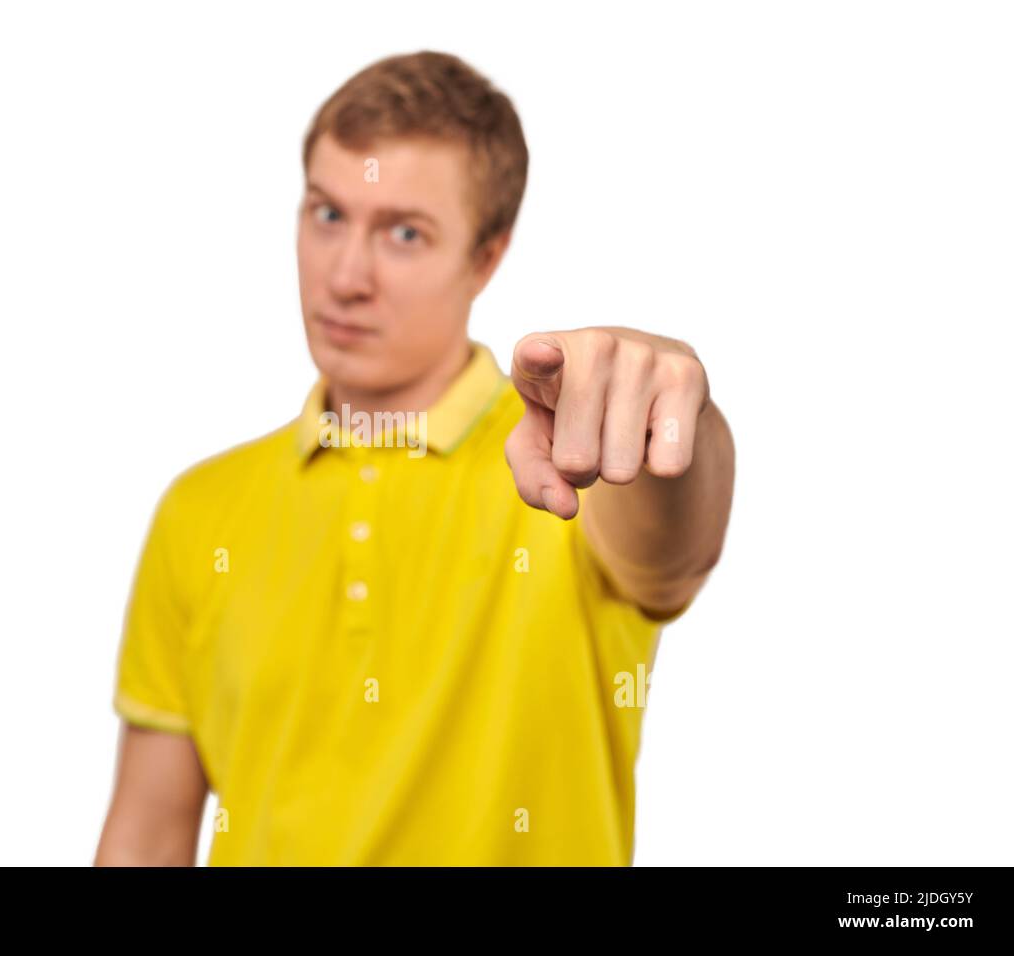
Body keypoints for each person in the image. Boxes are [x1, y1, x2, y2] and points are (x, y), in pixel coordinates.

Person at [94, 50, 735, 866]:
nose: (346, 276)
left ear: (487, 257)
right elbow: (148, 832)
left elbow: (674, 549)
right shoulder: (200, 508)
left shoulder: (562, 463)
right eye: (327, 215)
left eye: (404, 233)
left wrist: (667, 408)